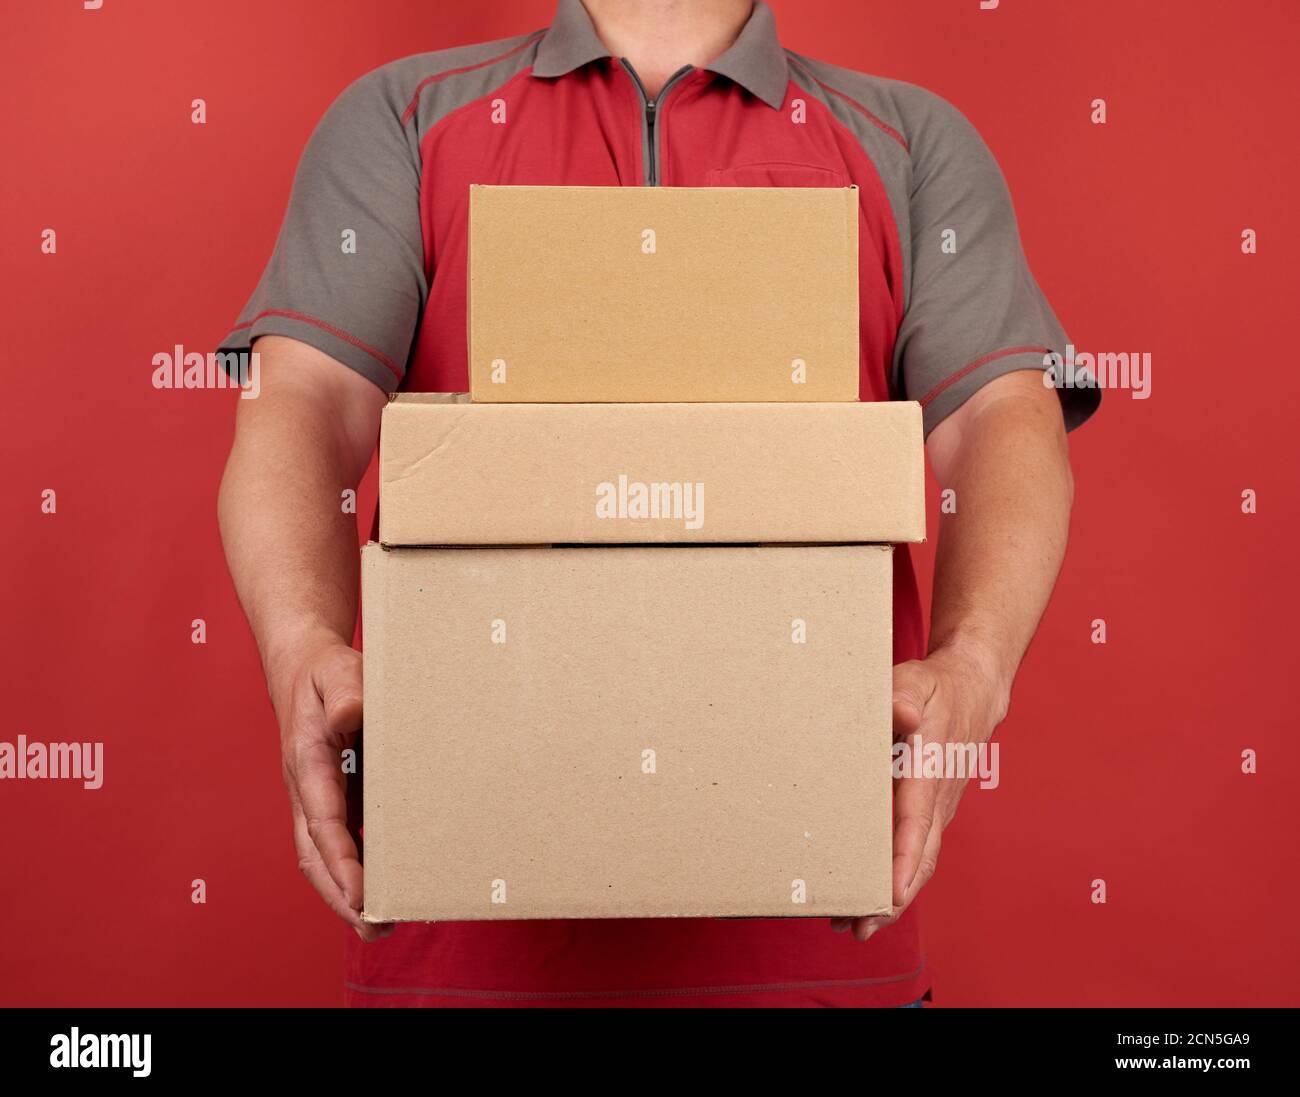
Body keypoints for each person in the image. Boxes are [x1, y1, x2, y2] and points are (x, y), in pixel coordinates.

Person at [217, 0, 1097, 1008]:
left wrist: (974, 668)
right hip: (463, 951)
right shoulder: (405, 120)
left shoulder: (910, 143)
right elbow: (303, 401)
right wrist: (300, 647)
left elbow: (1000, 421)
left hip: (816, 951)